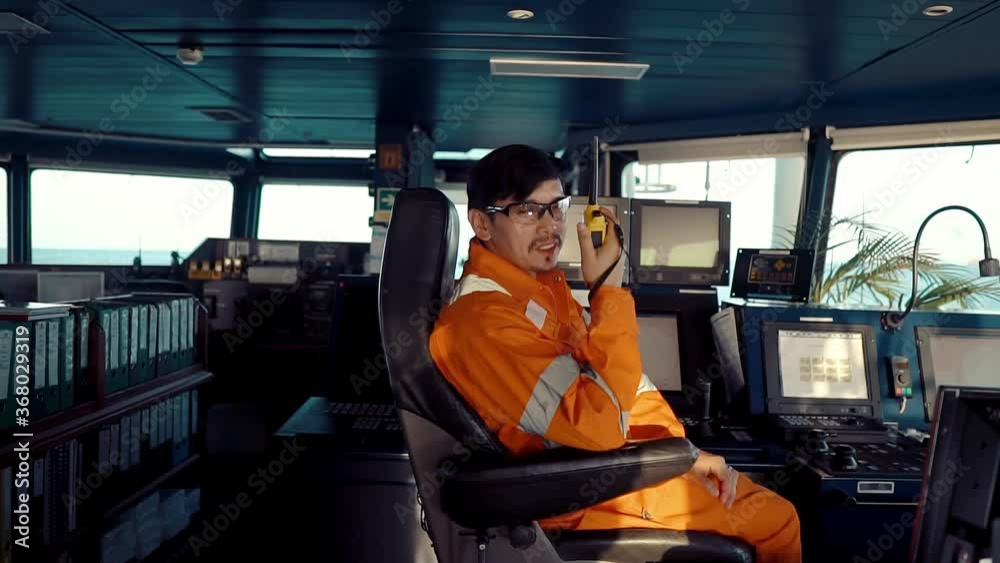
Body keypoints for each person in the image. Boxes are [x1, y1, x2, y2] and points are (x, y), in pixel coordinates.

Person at [428, 144, 801, 563]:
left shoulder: (540, 293)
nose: (551, 227)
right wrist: (608, 290)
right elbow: (600, 426)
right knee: (777, 520)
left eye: (556, 208)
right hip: (575, 494)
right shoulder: (481, 322)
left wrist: (681, 455)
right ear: (481, 223)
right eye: (528, 211)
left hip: (603, 467)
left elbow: (623, 388)